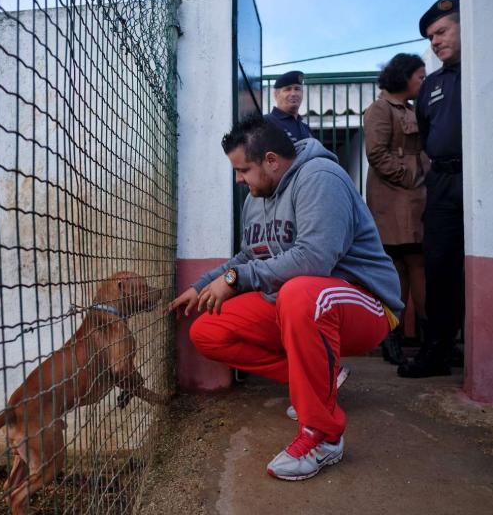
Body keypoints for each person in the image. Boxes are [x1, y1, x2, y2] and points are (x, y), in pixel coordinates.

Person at [167, 114, 402, 481]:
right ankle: (320, 380)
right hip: (300, 304)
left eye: (243, 170)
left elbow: (315, 259)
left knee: (298, 292)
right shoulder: (256, 198)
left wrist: (236, 279)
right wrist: (203, 285)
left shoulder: (320, 178)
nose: (238, 180)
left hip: (363, 302)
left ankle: (323, 435)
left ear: (271, 160)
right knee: (208, 330)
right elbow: (249, 257)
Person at [398, 0, 463, 378]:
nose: (435, 40)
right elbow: (425, 134)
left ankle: (462, 344)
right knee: (438, 265)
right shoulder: (432, 86)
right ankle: (436, 351)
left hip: (479, 177)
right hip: (442, 182)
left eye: (441, 31)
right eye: (430, 36)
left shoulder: (486, 72)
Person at [364, 53, 430, 365]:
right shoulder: (379, 109)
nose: (423, 81)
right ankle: (394, 337)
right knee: (401, 265)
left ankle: (422, 336)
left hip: (412, 195)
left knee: (413, 263)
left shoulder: (409, 108)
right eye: (419, 76)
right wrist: (409, 175)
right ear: (404, 77)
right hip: (393, 197)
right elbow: (376, 153)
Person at [264, 70, 312, 143]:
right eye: (287, 89)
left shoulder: (306, 128)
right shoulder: (265, 122)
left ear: (302, 93)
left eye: (297, 89)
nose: (293, 94)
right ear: (276, 95)